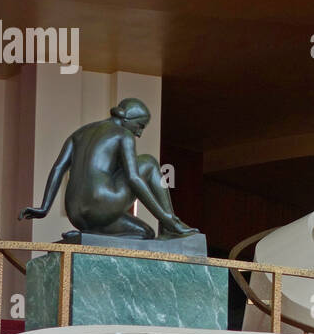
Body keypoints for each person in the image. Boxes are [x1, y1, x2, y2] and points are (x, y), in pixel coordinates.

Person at [20, 98, 197, 240]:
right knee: (149, 162)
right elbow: (134, 178)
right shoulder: (123, 134)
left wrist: (44, 208)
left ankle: (89, 237)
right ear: (127, 119)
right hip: (103, 202)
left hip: (76, 214)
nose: (139, 133)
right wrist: (165, 218)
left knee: (145, 234)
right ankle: (171, 226)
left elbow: (59, 168)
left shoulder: (79, 133)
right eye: (140, 126)